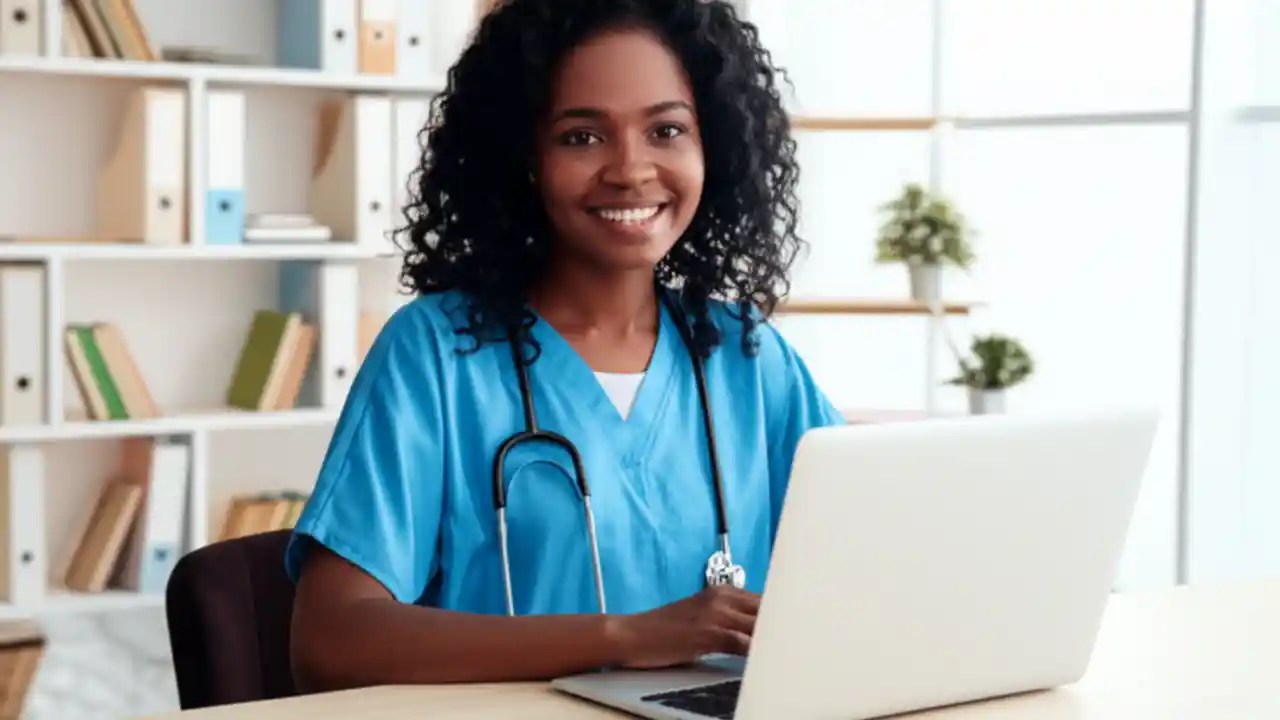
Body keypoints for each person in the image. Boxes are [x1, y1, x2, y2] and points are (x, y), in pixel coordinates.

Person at [284, 0, 844, 693]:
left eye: (667, 130)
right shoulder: (437, 354)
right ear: (525, 157)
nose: (631, 170)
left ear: (715, 148)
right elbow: (330, 640)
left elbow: (873, 559)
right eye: (582, 137)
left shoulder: (749, 357)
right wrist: (625, 637)